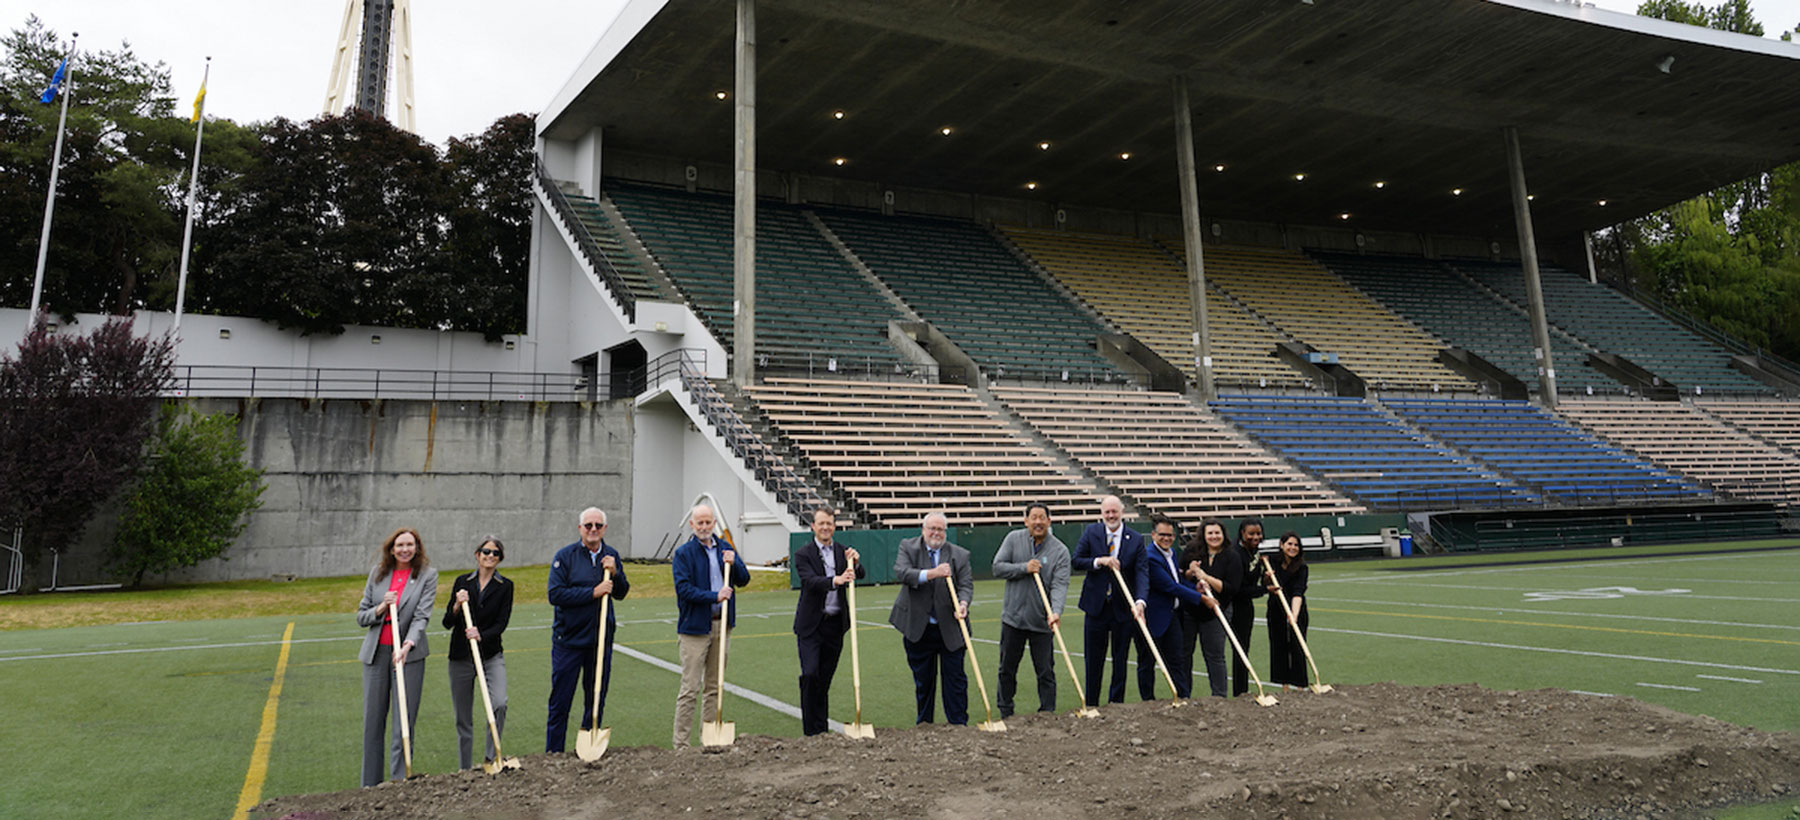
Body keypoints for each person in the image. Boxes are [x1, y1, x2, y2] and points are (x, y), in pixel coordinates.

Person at [355, 527, 438, 786]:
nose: (405, 549)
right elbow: (362, 616)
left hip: (408, 656)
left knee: (404, 722)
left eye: (410, 545)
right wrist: (381, 607)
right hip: (376, 654)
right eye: (400, 545)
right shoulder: (378, 574)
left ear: (417, 548)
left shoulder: (427, 576)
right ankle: (370, 784)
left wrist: (408, 644)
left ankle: (399, 783)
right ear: (392, 549)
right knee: (373, 722)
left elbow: (422, 616)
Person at [545, 507, 630, 753]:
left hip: (600, 640)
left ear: (605, 528)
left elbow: (621, 592)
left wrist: (615, 574)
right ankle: (554, 753)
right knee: (561, 701)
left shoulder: (611, 555)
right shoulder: (565, 556)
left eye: (598, 525)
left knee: (595, 698)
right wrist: (593, 592)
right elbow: (555, 594)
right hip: (569, 641)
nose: (593, 529)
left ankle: (588, 747)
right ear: (580, 528)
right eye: (589, 525)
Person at [672, 503, 750, 746]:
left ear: (714, 523)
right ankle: (681, 745)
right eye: (700, 523)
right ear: (692, 525)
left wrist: (735, 563)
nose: (704, 527)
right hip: (694, 628)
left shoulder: (725, 548)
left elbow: (744, 579)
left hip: (722, 625)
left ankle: (710, 740)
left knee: (714, 687)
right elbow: (683, 589)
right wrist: (714, 596)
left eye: (708, 522)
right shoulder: (684, 553)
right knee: (690, 689)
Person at [889, 511, 973, 725]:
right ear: (923, 529)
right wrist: (933, 573)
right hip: (919, 627)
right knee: (924, 682)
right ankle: (925, 725)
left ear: (946, 532)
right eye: (932, 528)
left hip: (951, 628)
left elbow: (966, 586)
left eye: (940, 529)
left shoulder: (960, 555)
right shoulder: (908, 547)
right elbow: (902, 573)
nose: (936, 533)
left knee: (956, 681)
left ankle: (959, 725)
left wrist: (963, 604)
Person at [991, 503, 1071, 718]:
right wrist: (1023, 568)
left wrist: (1056, 611)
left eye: (1042, 518)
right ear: (1026, 521)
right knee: (1007, 669)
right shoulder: (1013, 539)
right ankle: (1005, 711)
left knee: (1045, 671)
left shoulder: (1060, 551)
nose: (1038, 522)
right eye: (1033, 517)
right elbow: (997, 567)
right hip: (1013, 620)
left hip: (1041, 622)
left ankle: (1047, 713)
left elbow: (1060, 585)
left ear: (1049, 521)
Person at [442, 537, 514, 770]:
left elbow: (502, 623)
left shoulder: (505, 586)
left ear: (500, 559)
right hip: (461, 657)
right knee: (463, 717)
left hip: (490, 655)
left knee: (499, 703)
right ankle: (465, 768)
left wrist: (481, 634)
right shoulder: (462, 582)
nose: (490, 556)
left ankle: (491, 758)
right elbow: (447, 622)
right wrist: (456, 605)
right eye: (486, 551)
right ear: (477, 554)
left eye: (495, 553)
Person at [792, 507, 865, 736]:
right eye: (821, 523)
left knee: (824, 680)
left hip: (835, 625)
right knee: (810, 674)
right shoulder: (803, 554)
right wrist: (836, 580)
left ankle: (821, 731)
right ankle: (810, 731)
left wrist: (856, 563)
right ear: (813, 526)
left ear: (834, 526)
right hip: (811, 626)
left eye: (829, 524)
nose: (825, 527)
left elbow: (861, 574)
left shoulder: (843, 552)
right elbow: (810, 581)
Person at [1072, 495, 1148, 705]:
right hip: (1096, 608)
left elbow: (1142, 573)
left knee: (1120, 660)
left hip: (1122, 609)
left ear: (1122, 512)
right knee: (1093, 661)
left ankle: (1116, 704)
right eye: (1107, 512)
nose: (1111, 516)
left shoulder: (1135, 539)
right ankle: (1091, 704)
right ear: (1102, 514)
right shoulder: (1092, 532)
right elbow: (1076, 561)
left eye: (1114, 511)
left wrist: (1140, 601)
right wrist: (1100, 561)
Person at [1139, 515, 1208, 699]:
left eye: (1170, 535)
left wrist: (1195, 588)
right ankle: (1148, 701)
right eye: (1162, 534)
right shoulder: (1151, 557)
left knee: (1177, 660)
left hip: (1172, 616)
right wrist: (1201, 598)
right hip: (1153, 618)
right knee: (1148, 662)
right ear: (1153, 535)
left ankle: (1183, 698)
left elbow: (1177, 580)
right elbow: (1169, 586)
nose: (1166, 538)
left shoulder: (1172, 553)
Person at [1178, 518, 1239, 698]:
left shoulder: (1231, 556)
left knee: (1215, 655)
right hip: (1191, 609)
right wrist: (1191, 572)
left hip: (1216, 611)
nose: (1214, 536)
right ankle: (1183, 695)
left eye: (1217, 533)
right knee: (1184, 654)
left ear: (1223, 534)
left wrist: (1205, 576)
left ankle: (1219, 697)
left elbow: (1230, 589)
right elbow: (1182, 576)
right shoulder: (1192, 551)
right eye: (1210, 533)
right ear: (1203, 535)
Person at [1264, 531, 1311, 690]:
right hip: (1276, 609)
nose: (1293, 547)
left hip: (1296, 609)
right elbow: (1265, 584)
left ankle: (1300, 686)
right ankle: (1284, 687)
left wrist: (1294, 615)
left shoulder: (1302, 567)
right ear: (1282, 545)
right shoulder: (1272, 562)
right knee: (1279, 646)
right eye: (1289, 544)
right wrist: (1267, 577)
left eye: (1296, 545)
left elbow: (1298, 592)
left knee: (1298, 647)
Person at [1228, 518, 1268, 697]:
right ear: (1242, 534)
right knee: (1238, 650)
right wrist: (1265, 589)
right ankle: (1238, 692)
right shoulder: (1236, 554)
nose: (1255, 537)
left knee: (1243, 651)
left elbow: (1252, 581)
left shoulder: (1255, 551)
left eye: (1258, 533)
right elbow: (1238, 590)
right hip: (1232, 607)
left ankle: (1241, 692)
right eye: (1251, 533)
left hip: (1246, 607)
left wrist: (1265, 580)